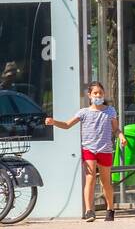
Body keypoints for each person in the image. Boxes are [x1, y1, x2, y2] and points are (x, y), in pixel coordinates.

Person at [45, 80, 122, 221]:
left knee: (106, 181)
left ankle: (110, 209)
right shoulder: (83, 112)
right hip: (89, 149)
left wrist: (121, 136)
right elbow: (68, 125)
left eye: (100, 93)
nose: (98, 95)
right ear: (89, 95)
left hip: (105, 149)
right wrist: (54, 122)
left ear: (104, 94)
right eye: (95, 93)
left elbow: (115, 129)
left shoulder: (110, 111)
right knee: (90, 178)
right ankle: (89, 211)